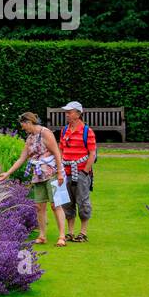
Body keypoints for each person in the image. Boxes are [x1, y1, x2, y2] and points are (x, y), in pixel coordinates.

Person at [0, 112, 68, 247]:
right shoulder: (30, 138)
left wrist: (60, 173)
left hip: (52, 172)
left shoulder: (46, 133)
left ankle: (62, 236)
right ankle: (42, 236)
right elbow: (22, 158)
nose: (23, 129)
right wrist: (7, 173)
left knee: (55, 205)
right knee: (39, 206)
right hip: (38, 175)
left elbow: (57, 153)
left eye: (23, 126)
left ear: (29, 122)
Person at [58, 101, 96, 242]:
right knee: (67, 202)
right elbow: (61, 149)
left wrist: (85, 172)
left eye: (69, 112)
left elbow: (92, 153)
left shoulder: (87, 131)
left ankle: (83, 233)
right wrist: (60, 168)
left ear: (78, 114)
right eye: (66, 112)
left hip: (81, 172)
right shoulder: (64, 130)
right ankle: (70, 232)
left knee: (83, 201)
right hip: (66, 172)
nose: (67, 114)